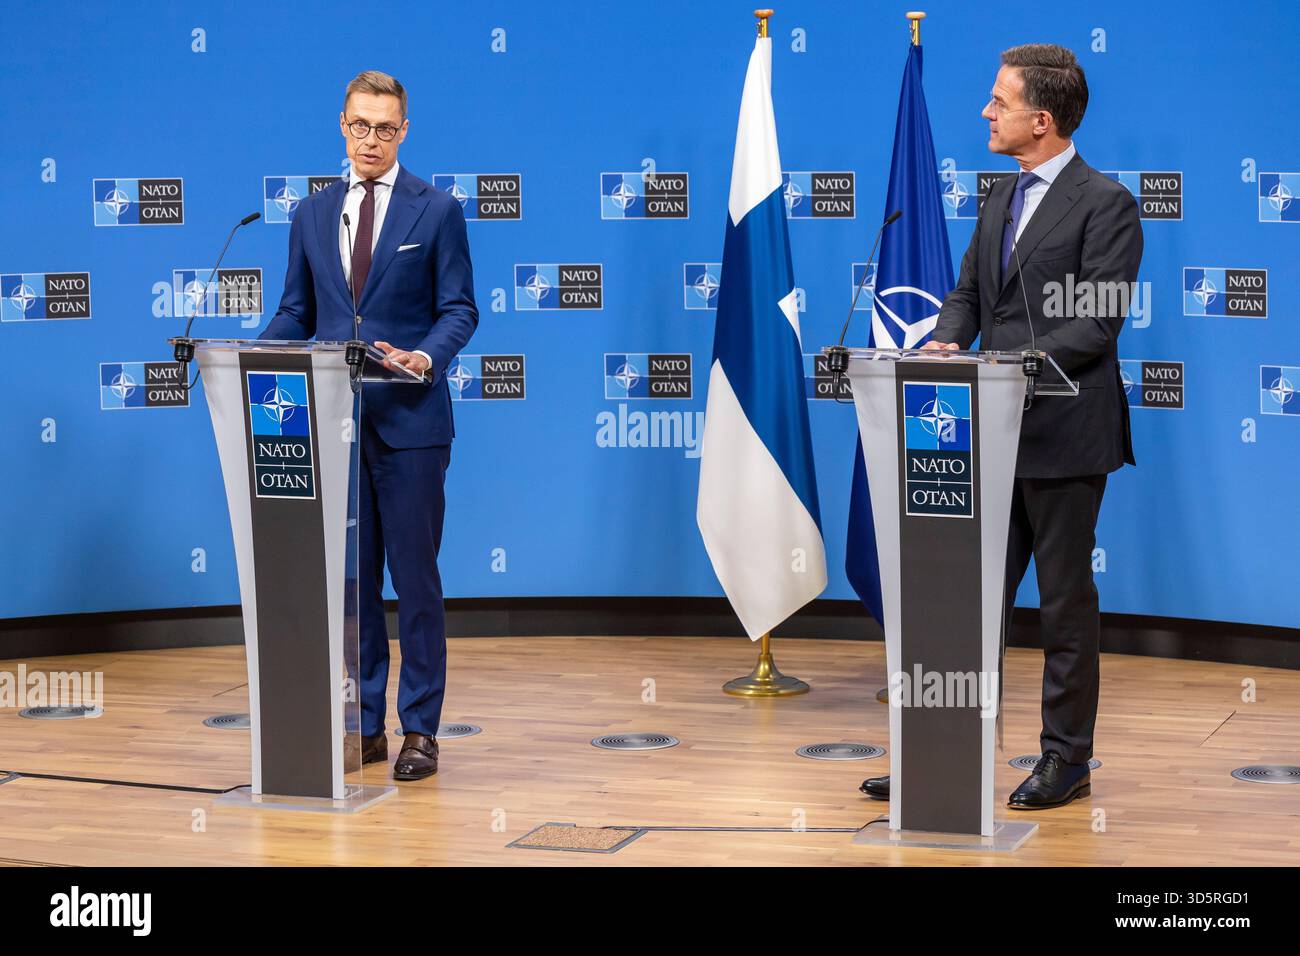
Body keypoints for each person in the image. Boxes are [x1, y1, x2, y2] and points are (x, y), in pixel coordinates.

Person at [861, 43, 1142, 810]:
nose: (986, 112)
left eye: (999, 101)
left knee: (1061, 605)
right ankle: (938, 749)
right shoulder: (998, 196)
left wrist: (1008, 365)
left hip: (1063, 436)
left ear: (1041, 120)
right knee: (962, 605)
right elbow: (967, 296)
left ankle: (1065, 761)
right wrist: (948, 341)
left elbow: (1097, 324)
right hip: (981, 438)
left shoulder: (1105, 201)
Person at [261, 70, 478, 780]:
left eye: (386, 128)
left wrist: (424, 355)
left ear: (404, 131)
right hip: (334, 426)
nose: (372, 140)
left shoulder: (437, 210)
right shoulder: (311, 214)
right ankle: (363, 725)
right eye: (361, 125)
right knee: (352, 589)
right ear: (342, 125)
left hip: (411, 425)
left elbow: (460, 310)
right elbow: (297, 311)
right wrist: (258, 356)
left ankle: (420, 732)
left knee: (414, 582)